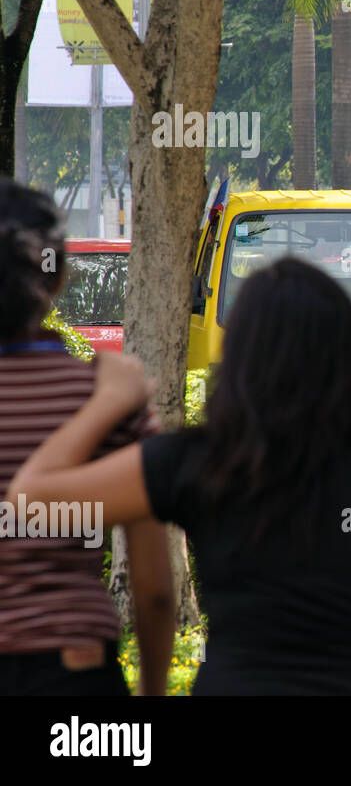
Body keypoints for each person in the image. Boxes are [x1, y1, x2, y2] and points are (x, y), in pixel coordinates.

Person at [10, 258, 351, 695]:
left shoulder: (197, 460)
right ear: (345, 359)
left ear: (241, 358)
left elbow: (32, 501)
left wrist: (107, 403)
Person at [0, 178, 174, 696]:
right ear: (56, 278)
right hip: (73, 675)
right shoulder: (107, 396)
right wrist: (152, 691)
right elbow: (155, 590)